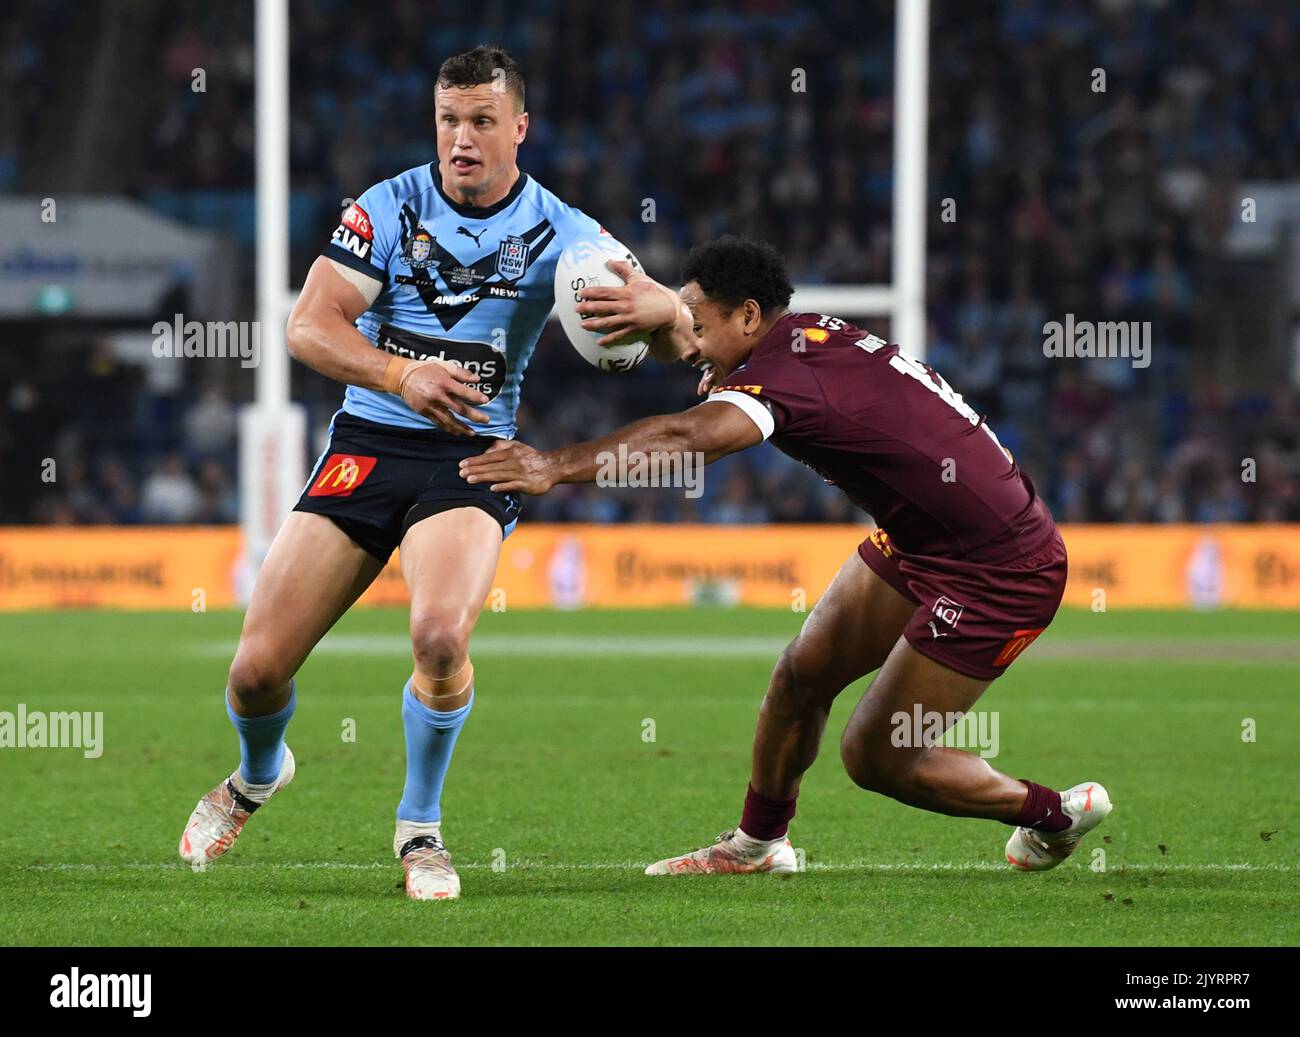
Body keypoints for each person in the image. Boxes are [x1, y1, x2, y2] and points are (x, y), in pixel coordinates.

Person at [178, 45, 676, 900]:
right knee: (256, 673)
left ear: (519, 128)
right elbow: (308, 325)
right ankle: (259, 774)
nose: (462, 138)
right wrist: (398, 373)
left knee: (441, 637)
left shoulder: (569, 234)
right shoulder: (387, 205)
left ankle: (421, 830)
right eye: (449, 120)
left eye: (483, 121)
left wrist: (663, 307)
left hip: (472, 459)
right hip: (366, 449)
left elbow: (674, 337)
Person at [461, 235, 1111, 875]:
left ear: (748, 315)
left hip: (1000, 567)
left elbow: (692, 437)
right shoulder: (804, 339)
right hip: (924, 537)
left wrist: (553, 464)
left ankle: (1054, 814)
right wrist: (666, 316)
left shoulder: (786, 377)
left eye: (701, 324)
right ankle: (759, 845)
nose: (693, 346)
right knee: (802, 673)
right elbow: (702, 364)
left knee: (878, 757)